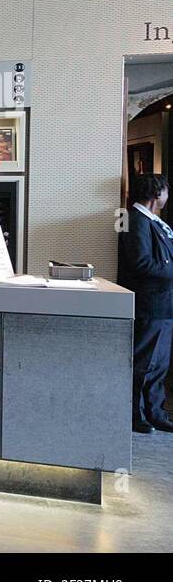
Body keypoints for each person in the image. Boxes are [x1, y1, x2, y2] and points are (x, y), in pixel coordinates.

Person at [118, 172, 173, 434]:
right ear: (157, 193)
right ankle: (136, 414)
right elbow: (140, 263)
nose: (167, 196)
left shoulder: (151, 221)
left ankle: (155, 411)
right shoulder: (134, 220)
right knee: (145, 362)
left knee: (158, 362)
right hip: (150, 303)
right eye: (166, 191)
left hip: (162, 303)